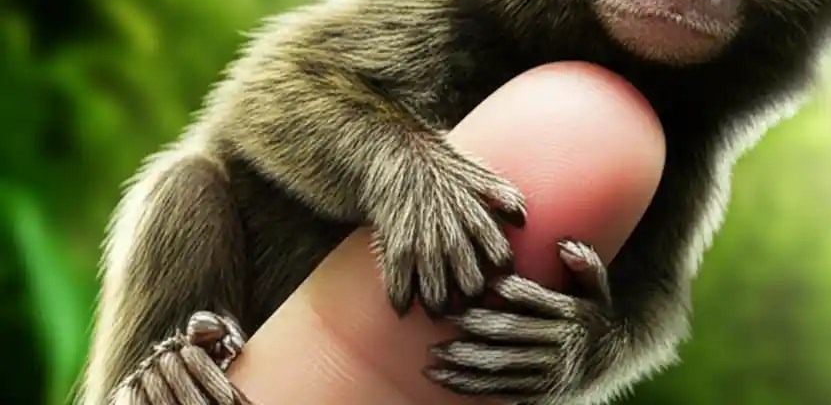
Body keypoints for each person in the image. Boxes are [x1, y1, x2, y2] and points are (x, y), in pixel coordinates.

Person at [227, 62, 665, 404]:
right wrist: (398, 165)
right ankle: (170, 358)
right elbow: (272, 95)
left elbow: (646, 308)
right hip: (237, 277)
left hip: (383, 370)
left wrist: (582, 348)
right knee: (193, 182)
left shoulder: (678, 154)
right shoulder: (447, 9)